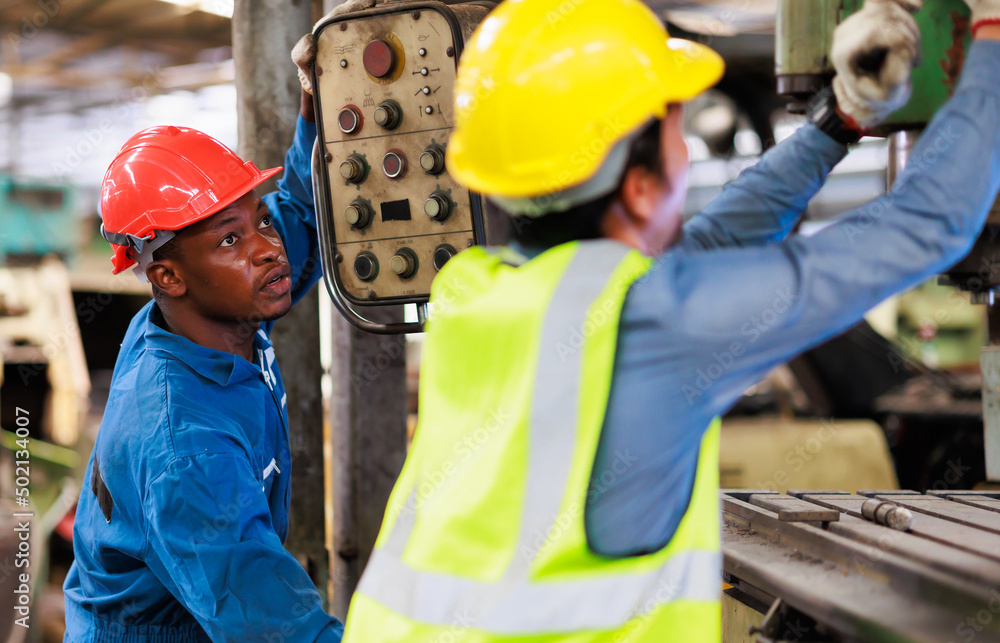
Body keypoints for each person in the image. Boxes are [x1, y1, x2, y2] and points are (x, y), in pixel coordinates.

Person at [310, 0, 1000, 640]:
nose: (685, 146)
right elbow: (930, 221)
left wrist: (840, 117)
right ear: (641, 183)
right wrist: (992, 33)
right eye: (676, 127)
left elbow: (710, 245)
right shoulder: (654, 321)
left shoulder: (475, 292)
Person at [62, 83, 344, 642]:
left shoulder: (202, 320)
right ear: (168, 276)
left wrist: (320, 117)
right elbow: (277, 630)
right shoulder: (188, 449)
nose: (268, 248)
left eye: (260, 222)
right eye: (230, 240)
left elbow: (294, 217)